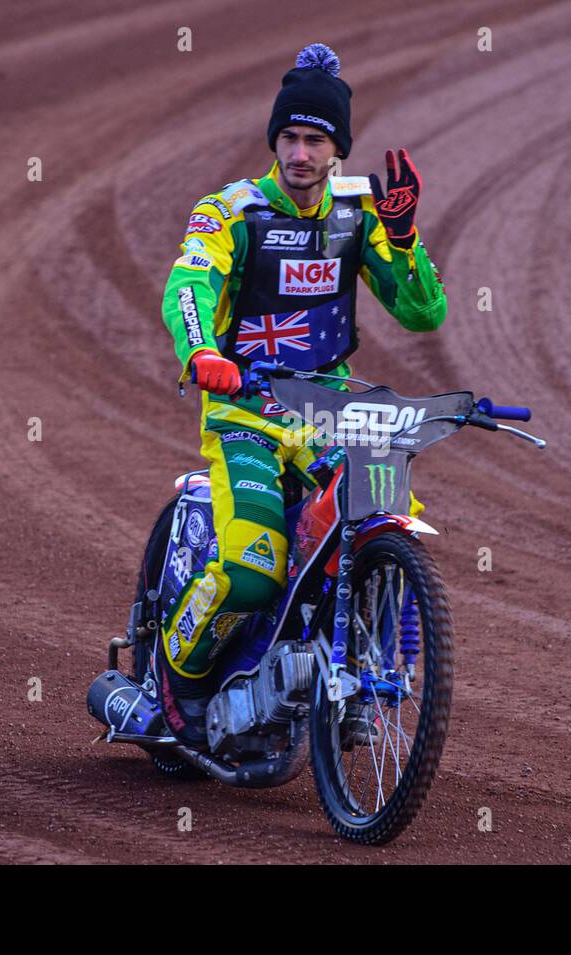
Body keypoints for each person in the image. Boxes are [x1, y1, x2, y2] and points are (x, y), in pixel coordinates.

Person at [156, 42, 448, 746]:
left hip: (328, 413)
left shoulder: (361, 214)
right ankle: (175, 680)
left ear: (337, 147)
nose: (300, 152)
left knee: (388, 512)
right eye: (288, 136)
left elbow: (422, 314)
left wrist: (405, 240)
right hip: (245, 411)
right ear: (274, 140)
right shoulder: (231, 209)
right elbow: (188, 284)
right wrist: (201, 351)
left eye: (315, 139)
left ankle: (372, 673)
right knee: (253, 565)